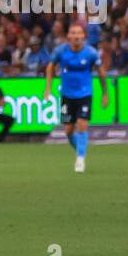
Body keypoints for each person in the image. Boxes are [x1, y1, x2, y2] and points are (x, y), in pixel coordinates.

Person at [43, 23, 109, 173]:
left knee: (82, 123)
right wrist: (48, 88)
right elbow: (50, 67)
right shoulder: (60, 51)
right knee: (68, 131)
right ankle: (80, 149)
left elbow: (101, 73)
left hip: (85, 94)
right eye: (73, 33)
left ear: (83, 36)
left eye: (79, 33)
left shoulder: (91, 53)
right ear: (68, 37)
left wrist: (105, 94)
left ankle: (80, 159)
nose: (76, 36)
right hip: (67, 95)